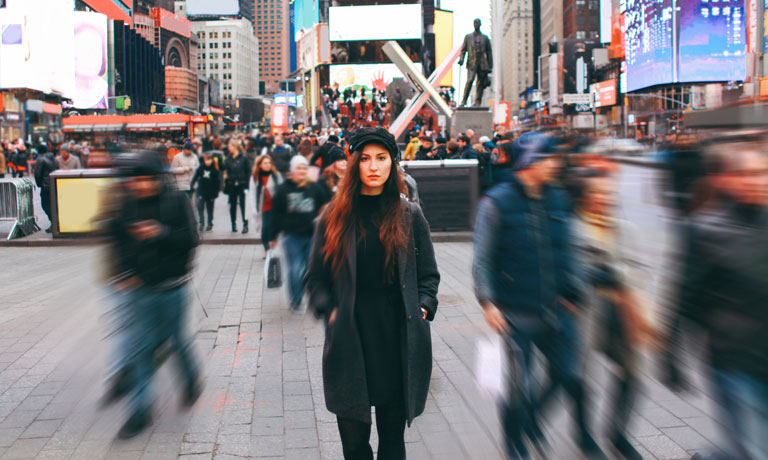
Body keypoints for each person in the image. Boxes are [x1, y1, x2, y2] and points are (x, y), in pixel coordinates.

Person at [305, 127, 440, 460]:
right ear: (354, 165)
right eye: (365, 159)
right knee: (353, 443)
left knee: (393, 442)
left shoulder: (409, 214)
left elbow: (429, 275)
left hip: (397, 335)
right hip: (351, 334)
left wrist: (424, 306)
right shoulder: (333, 216)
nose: (374, 167)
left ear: (393, 164)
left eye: (382, 158)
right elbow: (315, 278)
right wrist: (330, 309)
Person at [472, 134, 604, 460]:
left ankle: (530, 419)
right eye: (548, 158)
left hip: (558, 309)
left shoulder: (558, 198)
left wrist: (574, 287)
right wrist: (488, 302)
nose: (554, 163)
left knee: (569, 373)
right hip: (515, 312)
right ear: (530, 162)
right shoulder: (496, 203)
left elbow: (570, 248)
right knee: (517, 385)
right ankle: (513, 443)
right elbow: (483, 259)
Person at [661, 141, 768, 460]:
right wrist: (670, 354)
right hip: (731, 360)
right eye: (744, 173)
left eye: (761, 172)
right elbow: (683, 295)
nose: (755, 180)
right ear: (723, 179)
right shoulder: (703, 228)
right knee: (754, 451)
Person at [103, 151, 202, 440]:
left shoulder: (177, 201)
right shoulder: (128, 202)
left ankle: (190, 377)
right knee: (142, 348)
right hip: (140, 289)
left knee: (178, 341)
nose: (139, 185)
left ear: (157, 178)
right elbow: (118, 240)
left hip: (173, 287)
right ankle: (140, 410)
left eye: (144, 179)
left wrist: (159, 232)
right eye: (135, 180)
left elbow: (190, 240)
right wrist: (124, 273)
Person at [569, 165, 653, 460]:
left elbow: (641, 268)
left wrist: (617, 273)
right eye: (599, 192)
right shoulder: (570, 228)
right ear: (583, 196)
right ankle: (584, 434)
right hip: (585, 312)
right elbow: (566, 270)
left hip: (621, 309)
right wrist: (591, 273)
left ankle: (618, 433)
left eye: (609, 192)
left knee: (634, 373)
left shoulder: (624, 228)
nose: (606, 197)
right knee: (580, 377)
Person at [271, 156, 327, 311]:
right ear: (292, 171)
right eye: (299, 168)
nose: (302, 171)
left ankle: (310, 295)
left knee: (310, 268)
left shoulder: (313, 187)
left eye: (304, 168)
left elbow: (325, 204)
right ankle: (296, 300)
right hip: (291, 236)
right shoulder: (283, 189)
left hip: (312, 235)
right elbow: (276, 213)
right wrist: (272, 236)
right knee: (295, 268)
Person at [251, 154, 282, 256]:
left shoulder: (276, 175)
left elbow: (281, 189)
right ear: (259, 165)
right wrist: (254, 207)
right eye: (265, 163)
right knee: (265, 228)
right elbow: (253, 192)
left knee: (274, 227)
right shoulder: (256, 177)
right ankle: (266, 248)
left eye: (269, 163)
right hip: (263, 206)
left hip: (275, 205)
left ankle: (273, 248)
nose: (267, 165)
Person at [224, 141, 251, 234]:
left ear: (235, 147)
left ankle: (245, 224)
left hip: (242, 183)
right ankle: (233, 224)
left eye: (230, 146)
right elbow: (226, 169)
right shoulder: (228, 158)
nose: (229, 148)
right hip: (232, 184)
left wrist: (248, 184)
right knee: (233, 204)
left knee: (243, 205)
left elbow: (248, 171)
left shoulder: (244, 158)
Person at [190, 152, 221, 232]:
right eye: (206, 160)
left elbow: (217, 181)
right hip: (202, 191)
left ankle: (210, 223)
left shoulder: (214, 169)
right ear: (204, 160)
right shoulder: (201, 168)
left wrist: (217, 191)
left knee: (210, 208)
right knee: (200, 207)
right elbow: (195, 177)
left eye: (209, 160)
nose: (208, 162)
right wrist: (192, 185)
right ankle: (201, 223)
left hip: (211, 192)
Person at [33, 144, 58, 233]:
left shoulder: (40, 160)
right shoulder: (54, 158)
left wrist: (39, 184)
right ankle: (55, 223)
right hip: (54, 184)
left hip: (46, 186)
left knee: (45, 204)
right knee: (53, 204)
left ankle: (54, 222)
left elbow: (37, 174)